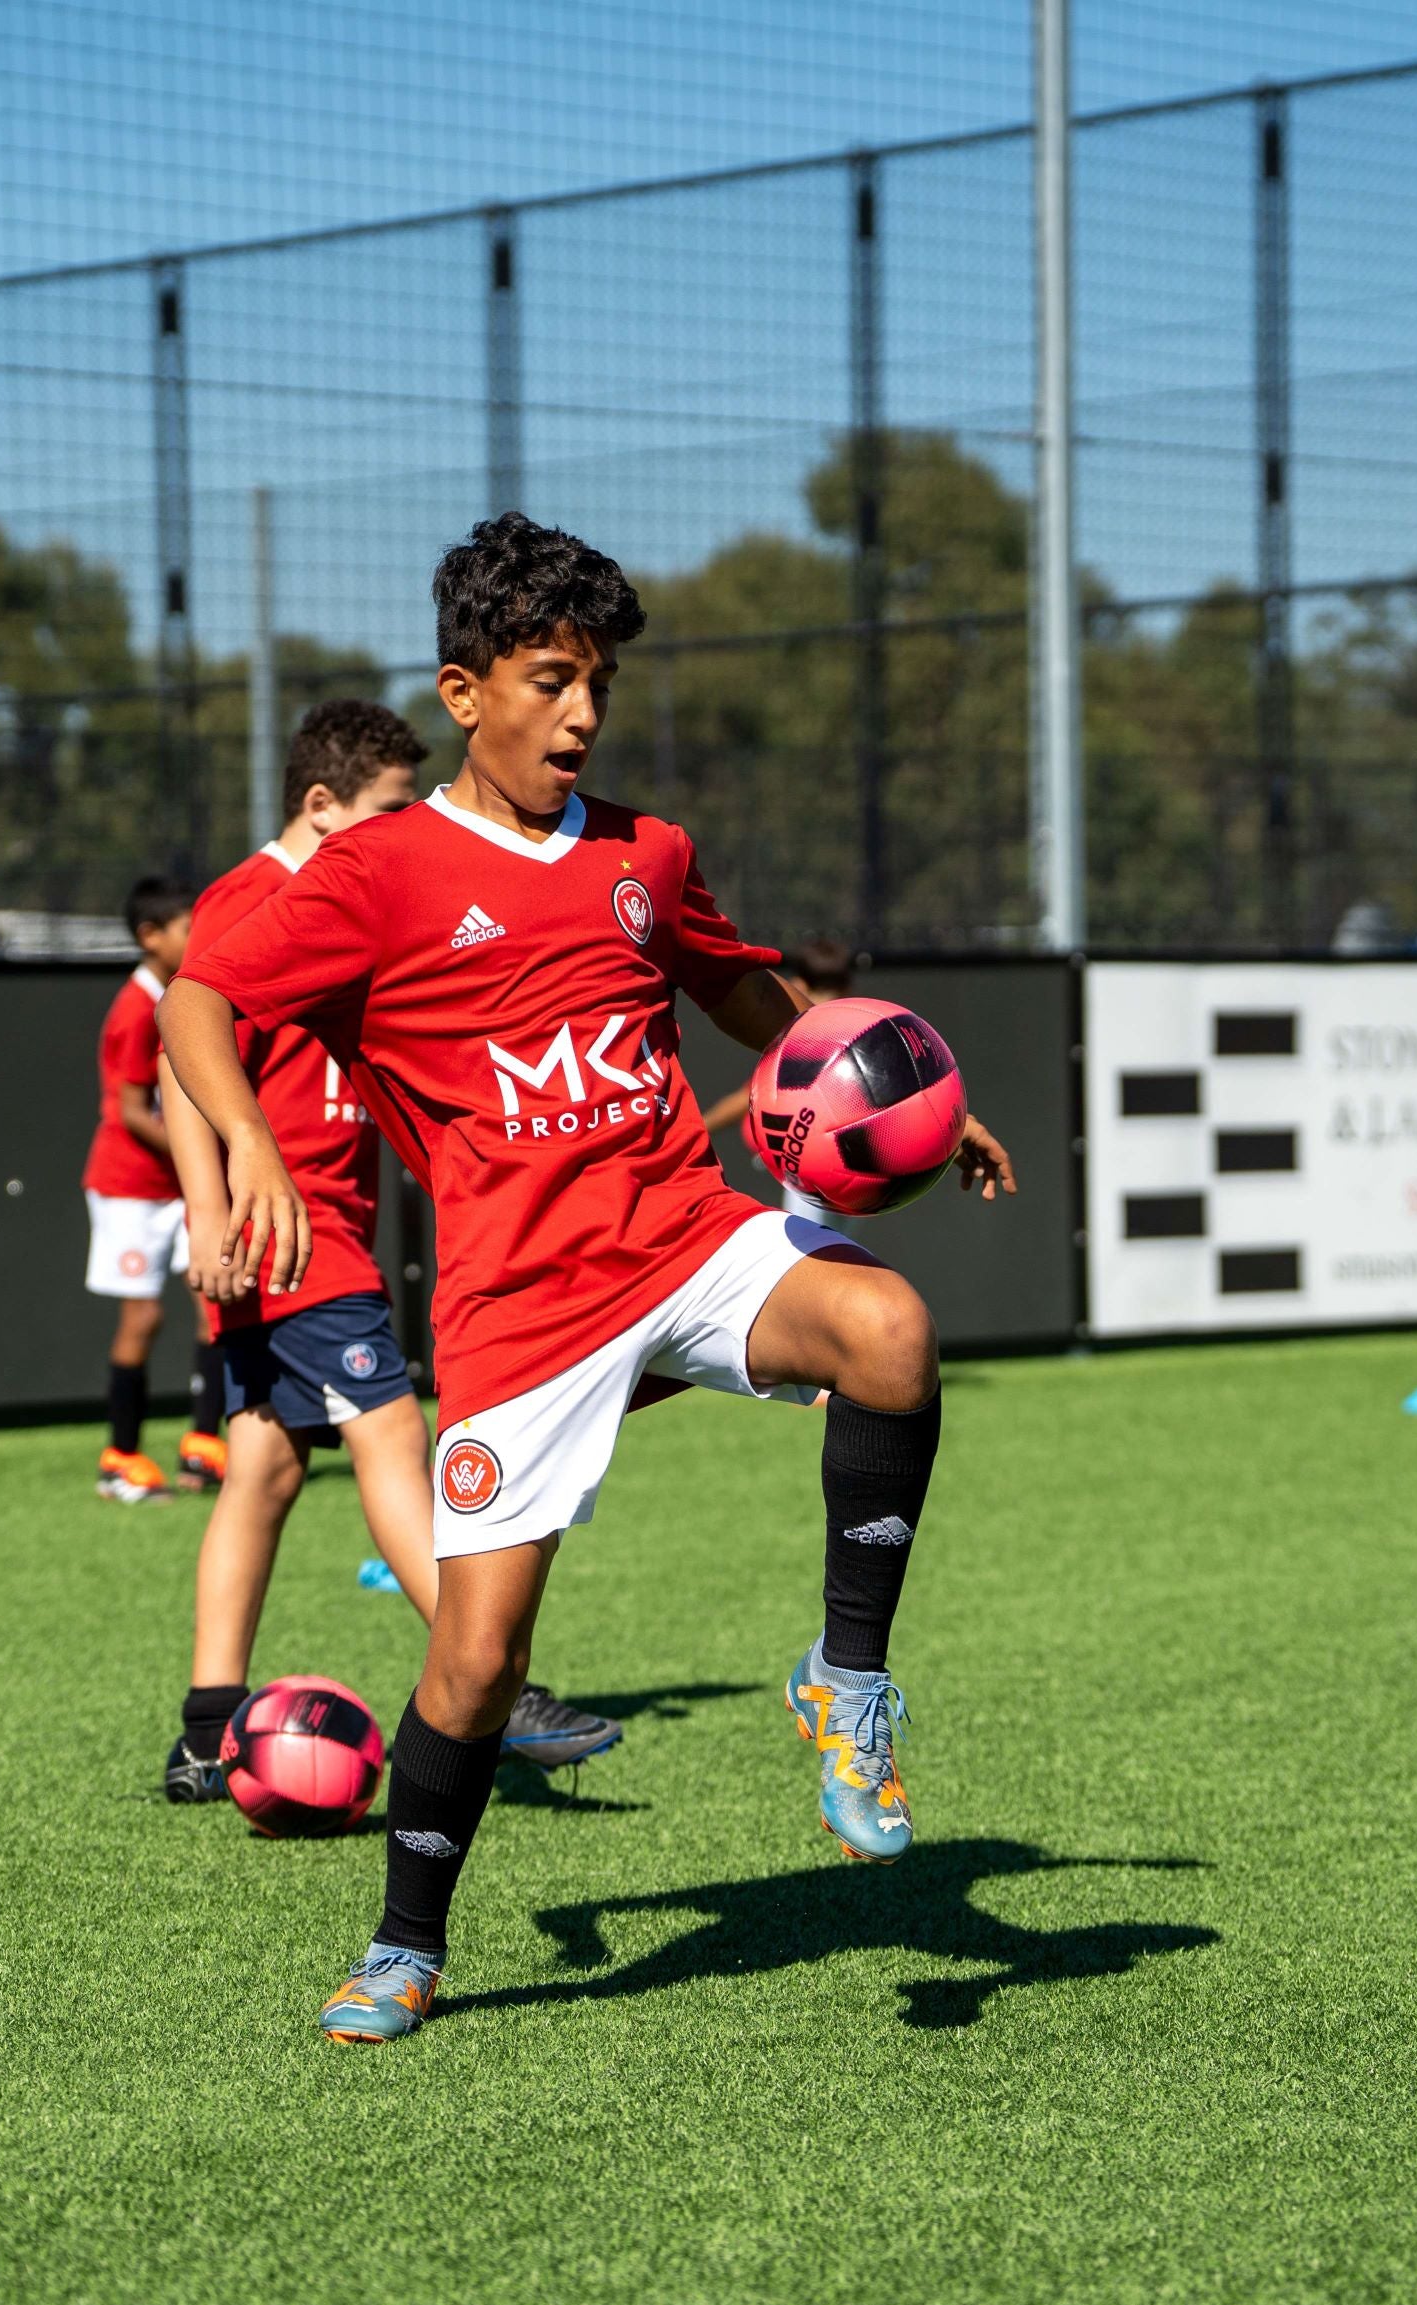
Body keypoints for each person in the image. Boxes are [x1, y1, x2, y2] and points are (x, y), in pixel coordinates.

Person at [161, 513, 1017, 2045]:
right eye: (550, 679)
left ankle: (844, 1678)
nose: (581, 714)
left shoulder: (643, 853)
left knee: (887, 1327)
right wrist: (250, 1152)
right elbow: (202, 1004)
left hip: (681, 1236)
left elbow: (743, 986)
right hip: (516, 1309)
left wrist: (897, 1108)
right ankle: (405, 1943)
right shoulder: (376, 874)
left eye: (598, 682)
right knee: (476, 1661)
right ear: (462, 690)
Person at [154, 700, 625, 1800]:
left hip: (318, 1223)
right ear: (321, 806)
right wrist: (210, 1204)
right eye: (387, 808)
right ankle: (495, 1686)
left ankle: (205, 1729)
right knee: (394, 1433)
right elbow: (186, 1054)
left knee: (264, 1468)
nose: (408, 826)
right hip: (293, 1232)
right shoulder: (254, 897)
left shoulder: (370, 891)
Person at [83, 875, 228, 1503]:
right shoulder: (135, 1010)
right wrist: (206, 1149)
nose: (200, 939)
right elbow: (133, 1112)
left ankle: (203, 1446)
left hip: (179, 1188)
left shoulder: (179, 996)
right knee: (142, 1316)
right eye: (187, 929)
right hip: (130, 1189)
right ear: (150, 937)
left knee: (212, 1305)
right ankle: (121, 1457)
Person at [700, 935, 858, 1231]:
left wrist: (700, 1127)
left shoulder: (816, 1036)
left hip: (817, 1170)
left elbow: (744, 1098)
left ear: (798, 982)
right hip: (818, 1172)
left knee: (820, 1257)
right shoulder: (840, 1033)